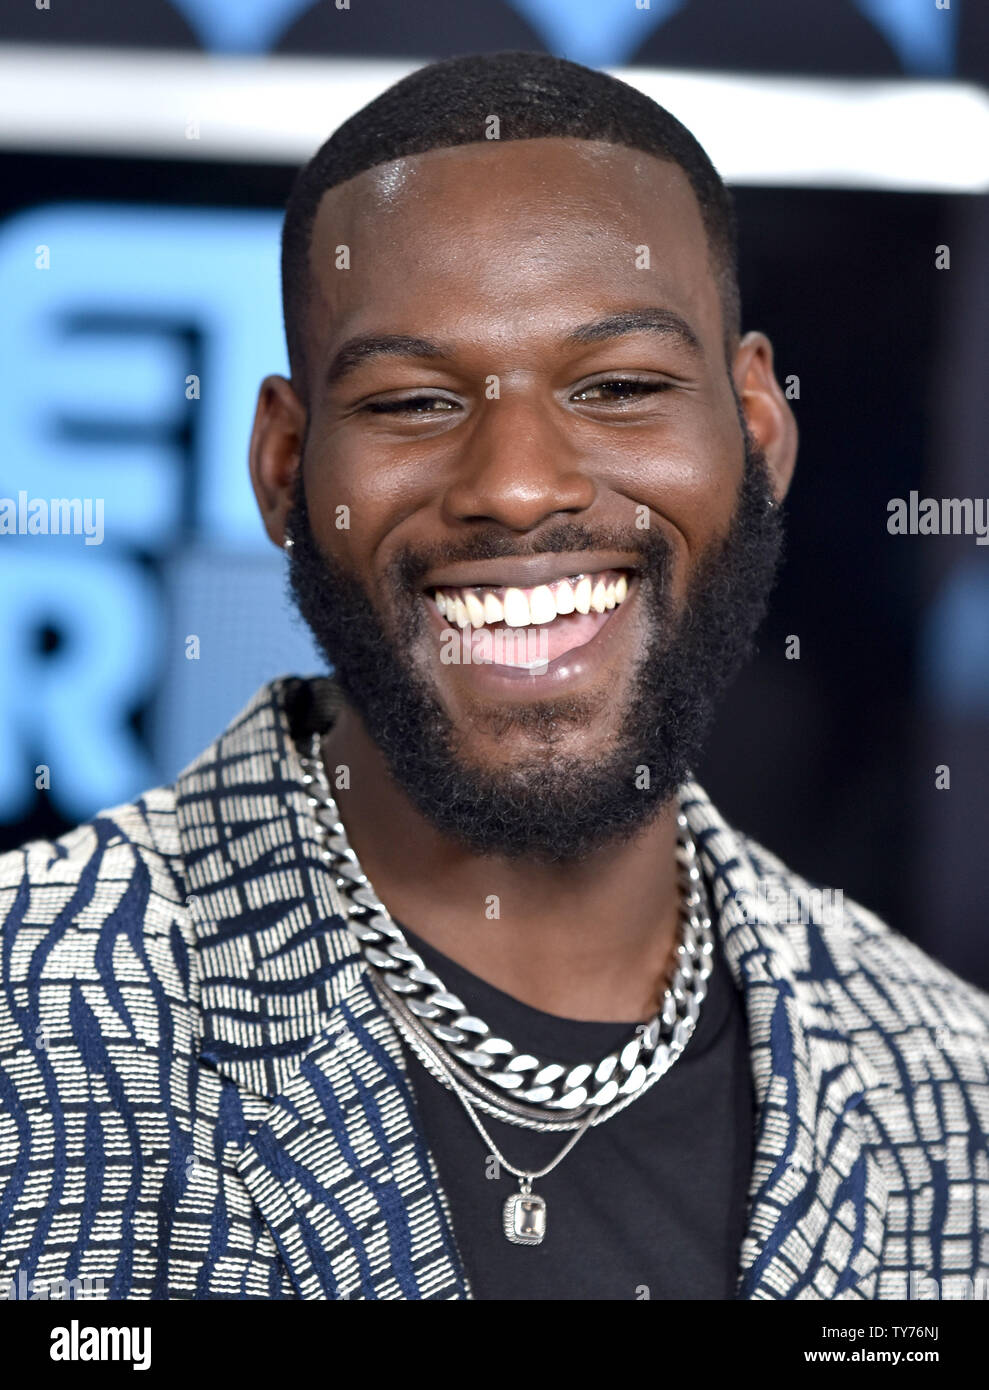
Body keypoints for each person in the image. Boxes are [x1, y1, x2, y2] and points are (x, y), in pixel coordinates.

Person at [1, 51, 986, 1303]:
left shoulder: (950, 1096)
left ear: (756, 432)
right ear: (282, 467)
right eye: (413, 401)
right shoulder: (30, 1013)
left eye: (619, 387)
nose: (516, 483)